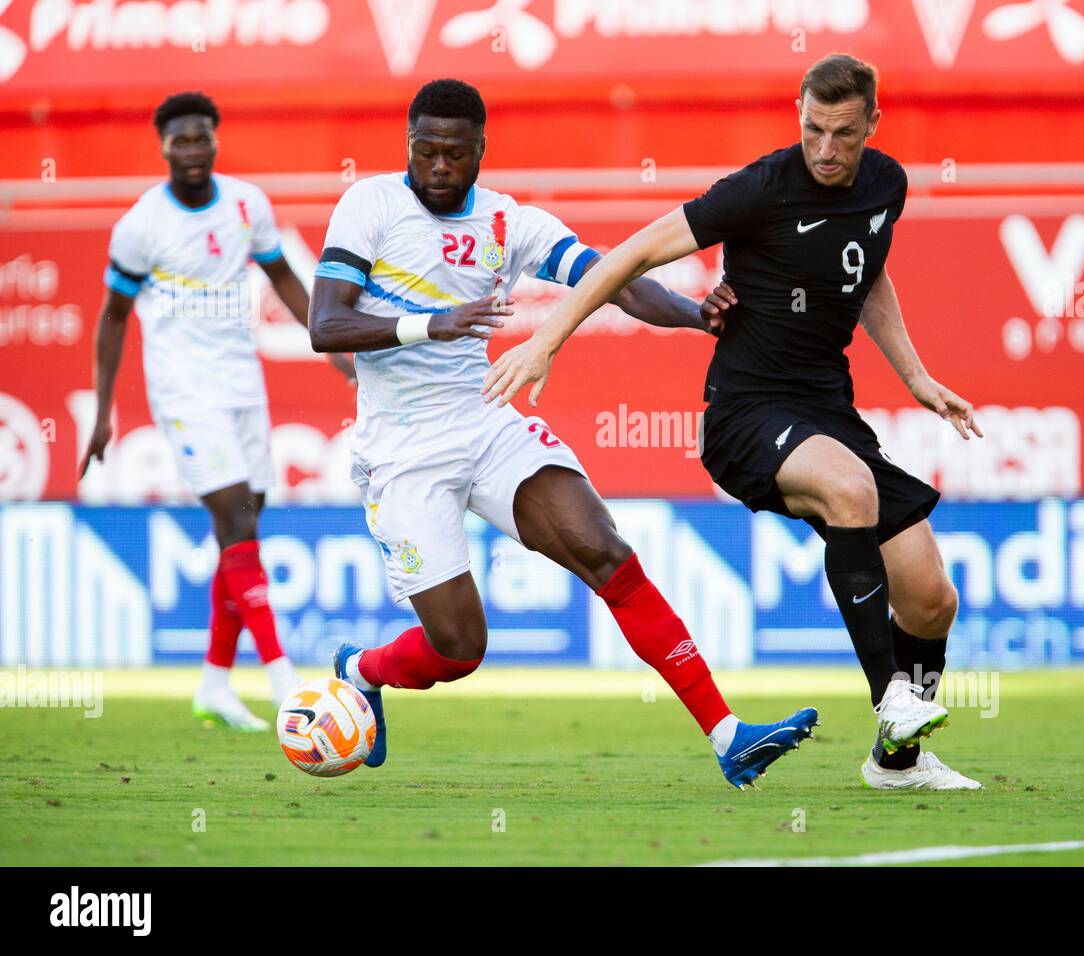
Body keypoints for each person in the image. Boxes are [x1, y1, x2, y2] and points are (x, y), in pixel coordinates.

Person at [484, 55, 983, 791]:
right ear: (799, 115)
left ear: (872, 125)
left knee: (931, 596)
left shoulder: (887, 186)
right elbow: (633, 253)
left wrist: (915, 377)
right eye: (813, 128)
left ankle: (897, 763)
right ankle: (892, 700)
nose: (826, 149)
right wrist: (547, 338)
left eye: (844, 134)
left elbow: (867, 271)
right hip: (747, 414)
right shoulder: (761, 189)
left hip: (828, 411)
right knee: (850, 490)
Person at [308, 78, 817, 789]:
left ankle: (729, 736)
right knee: (459, 649)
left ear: (481, 150)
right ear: (409, 146)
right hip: (400, 453)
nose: (440, 167)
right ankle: (362, 669)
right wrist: (433, 323)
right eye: (425, 151)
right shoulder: (370, 205)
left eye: (455, 153)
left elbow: (615, 280)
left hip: (482, 418)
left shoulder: (509, 224)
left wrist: (696, 313)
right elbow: (324, 325)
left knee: (608, 555)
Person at [81, 91, 355, 730]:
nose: (193, 150)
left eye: (202, 137)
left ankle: (212, 685)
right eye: (181, 140)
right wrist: (102, 411)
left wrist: (332, 347)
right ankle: (284, 680)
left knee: (242, 536)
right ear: (164, 147)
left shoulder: (245, 204)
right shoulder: (142, 225)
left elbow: (285, 278)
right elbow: (113, 318)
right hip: (183, 392)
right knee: (235, 518)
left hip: (242, 387)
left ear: (215, 139)